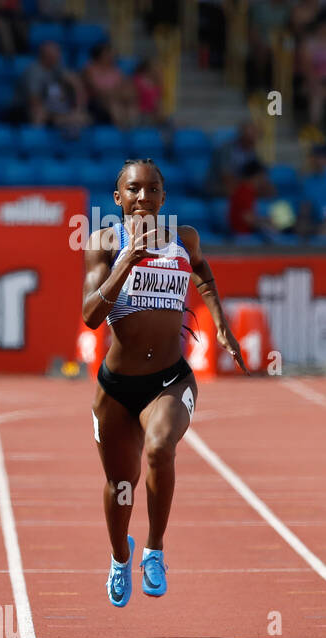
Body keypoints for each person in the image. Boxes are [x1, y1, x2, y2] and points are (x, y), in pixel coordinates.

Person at [81, 159, 249, 608]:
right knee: (121, 483)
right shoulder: (102, 243)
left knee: (158, 448)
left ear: (163, 197)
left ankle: (154, 550)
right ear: (118, 198)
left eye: (152, 189)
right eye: (133, 190)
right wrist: (128, 261)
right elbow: (90, 316)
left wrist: (221, 325)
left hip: (170, 380)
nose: (143, 197)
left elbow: (204, 273)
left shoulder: (183, 238)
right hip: (117, 387)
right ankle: (121, 557)